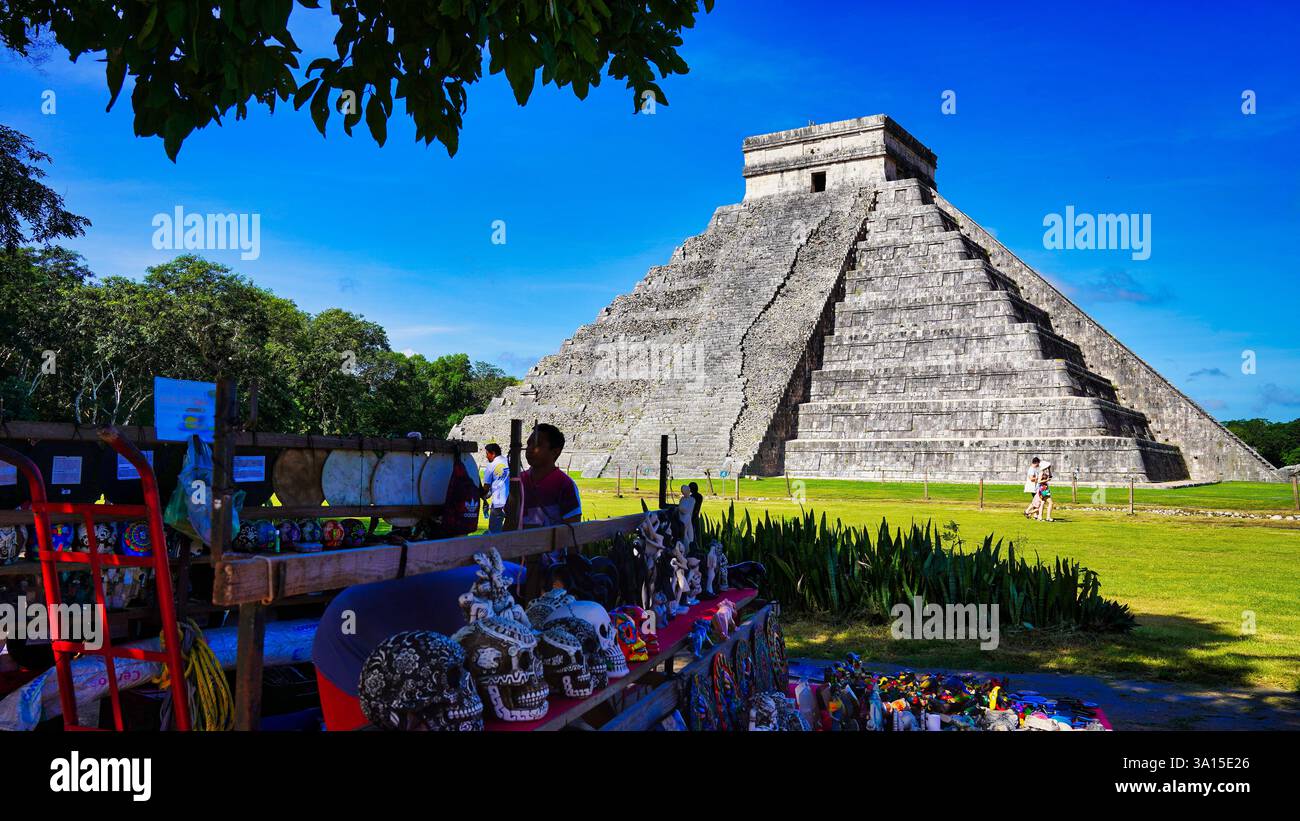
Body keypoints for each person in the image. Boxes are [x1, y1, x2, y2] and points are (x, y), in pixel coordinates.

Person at [520, 423, 582, 529]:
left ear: (554, 452)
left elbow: (573, 530)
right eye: (528, 444)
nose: (529, 449)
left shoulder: (564, 484)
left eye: (537, 445)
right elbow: (509, 522)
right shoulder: (519, 480)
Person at [481, 443, 509, 533]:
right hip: (512, 502)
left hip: (498, 503)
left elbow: (486, 488)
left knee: (494, 533)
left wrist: (480, 495)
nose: (486, 456)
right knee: (511, 531)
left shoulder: (491, 466)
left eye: (487, 453)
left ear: (493, 453)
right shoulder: (509, 461)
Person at [676, 484, 696, 549]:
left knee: (687, 534)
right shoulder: (682, 499)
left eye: (685, 491)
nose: (683, 493)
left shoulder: (692, 500)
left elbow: (688, 511)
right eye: (683, 492)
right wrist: (680, 509)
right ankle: (686, 549)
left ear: (688, 490)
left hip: (687, 518)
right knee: (684, 534)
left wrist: (681, 509)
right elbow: (680, 508)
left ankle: (689, 549)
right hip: (682, 518)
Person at [689, 481, 704, 548]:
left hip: (693, 516)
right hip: (695, 516)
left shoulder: (692, 497)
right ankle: (698, 546)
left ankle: (696, 546)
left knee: (693, 533)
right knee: (697, 533)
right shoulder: (699, 496)